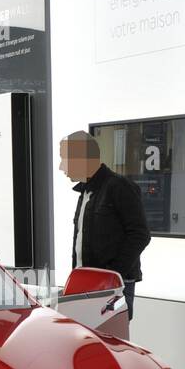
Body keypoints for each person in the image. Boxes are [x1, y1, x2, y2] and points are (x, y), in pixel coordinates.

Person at [59, 130, 150, 320]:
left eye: (64, 159)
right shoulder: (85, 191)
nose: (61, 167)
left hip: (113, 286)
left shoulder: (119, 187)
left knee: (112, 339)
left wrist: (112, 275)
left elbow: (140, 234)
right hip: (87, 284)